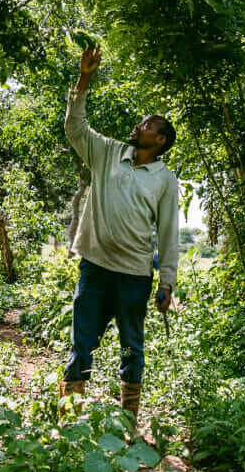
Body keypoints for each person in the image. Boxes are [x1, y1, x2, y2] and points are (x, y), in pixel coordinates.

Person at [59, 44, 179, 425]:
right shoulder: (108, 152)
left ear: (160, 140)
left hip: (134, 276)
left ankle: (128, 424)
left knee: (132, 349)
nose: (139, 126)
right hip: (94, 269)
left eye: (147, 125)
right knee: (81, 346)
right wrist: (85, 78)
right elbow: (74, 127)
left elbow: (168, 233)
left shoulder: (165, 180)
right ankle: (68, 420)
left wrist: (168, 283)